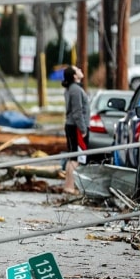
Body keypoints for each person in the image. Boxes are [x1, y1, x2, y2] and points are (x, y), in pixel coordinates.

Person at [62, 65, 89, 195]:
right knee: (75, 158)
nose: (80, 70)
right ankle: (70, 187)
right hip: (75, 126)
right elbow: (77, 111)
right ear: (74, 76)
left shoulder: (71, 89)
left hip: (70, 125)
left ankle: (68, 185)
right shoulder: (76, 90)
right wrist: (83, 129)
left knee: (72, 156)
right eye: (77, 69)